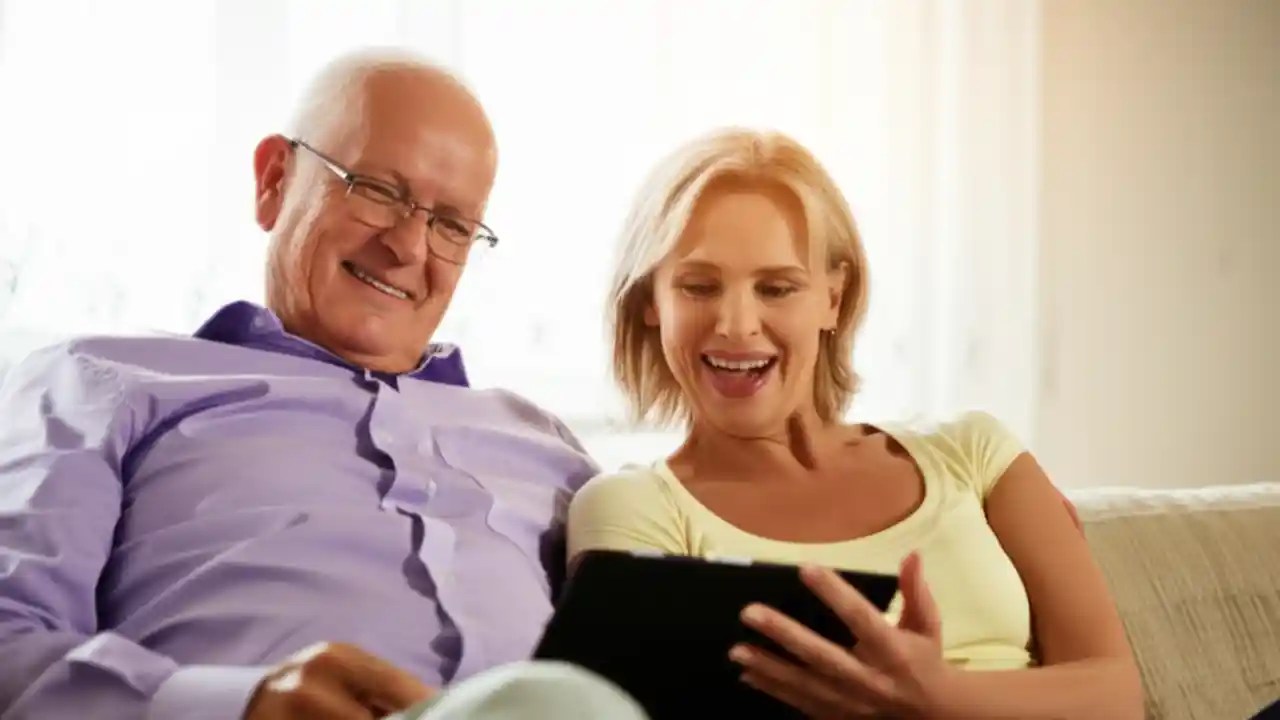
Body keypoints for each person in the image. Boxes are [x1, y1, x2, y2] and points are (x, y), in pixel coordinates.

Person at [0, 50, 645, 720]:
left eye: (451, 224)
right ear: (274, 180)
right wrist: (240, 703)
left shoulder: (549, 446)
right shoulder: (97, 382)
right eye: (378, 190)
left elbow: (646, 658)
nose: (410, 247)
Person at [569, 128, 1146, 718]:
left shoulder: (974, 453)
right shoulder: (634, 512)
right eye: (698, 287)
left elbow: (1117, 695)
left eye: (776, 288)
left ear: (833, 299)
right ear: (649, 302)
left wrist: (941, 699)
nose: (736, 323)